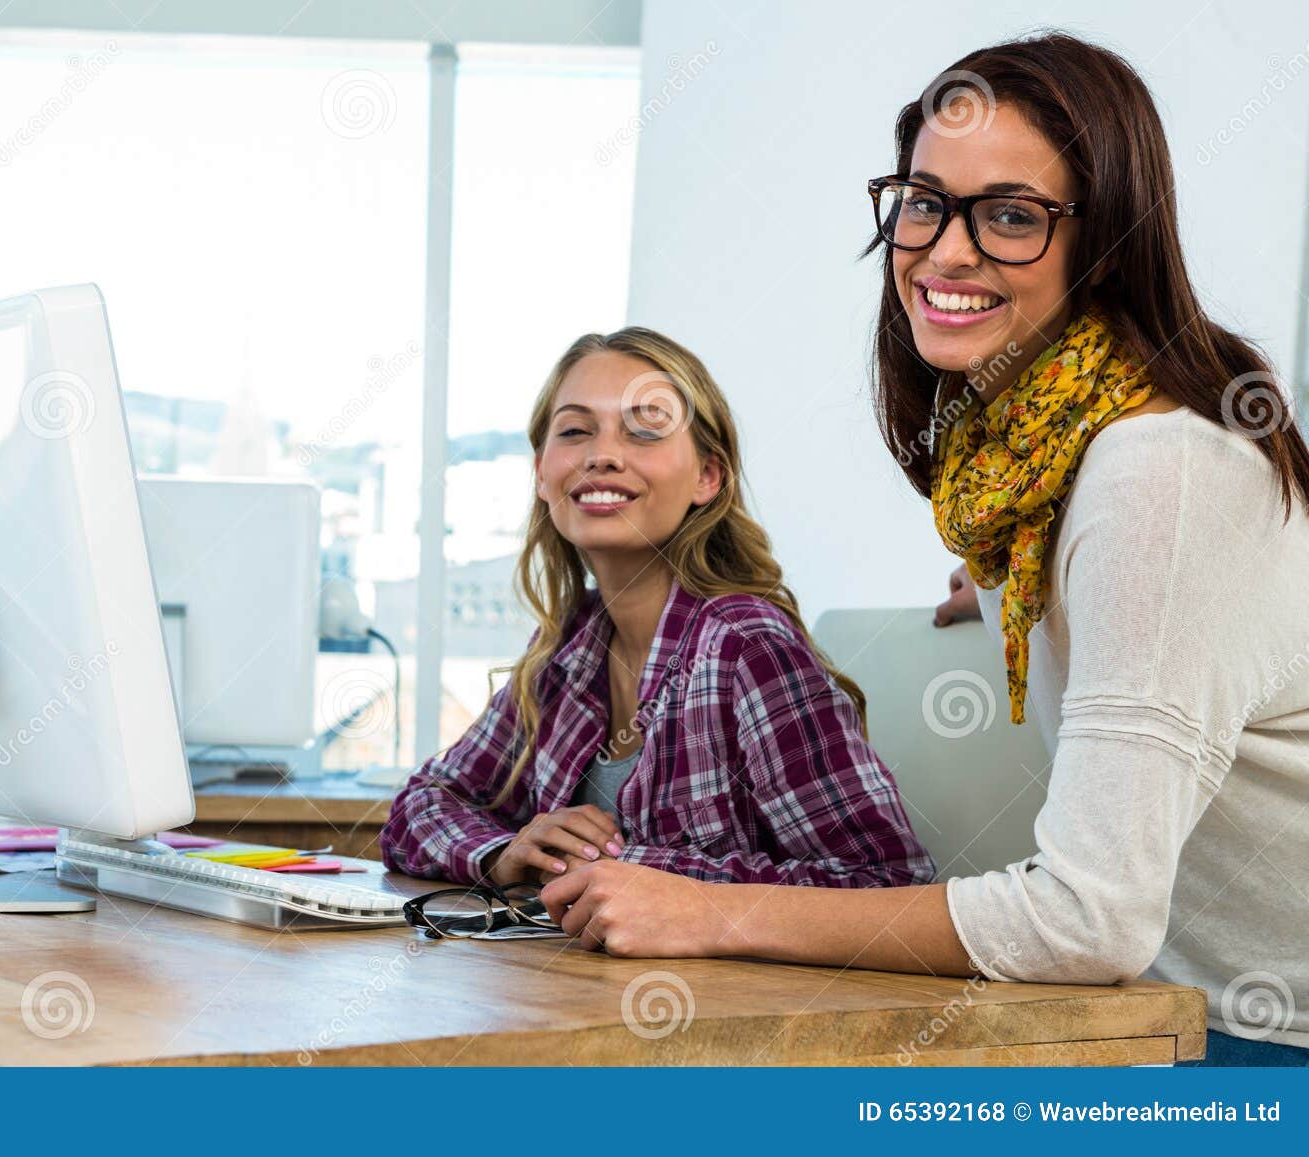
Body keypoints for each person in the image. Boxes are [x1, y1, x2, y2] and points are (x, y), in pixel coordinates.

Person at [539, 33, 1309, 1065]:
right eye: (921, 201)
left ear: (1107, 242)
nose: (944, 251)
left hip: (1258, 1047)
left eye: (1008, 216)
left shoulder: (1159, 473)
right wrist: (1020, 582)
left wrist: (708, 909)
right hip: (1156, 1023)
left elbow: (1087, 920)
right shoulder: (1037, 484)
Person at [380, 327, 933, 890]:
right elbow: (421, 807)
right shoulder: (567, 648)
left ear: (707, 477)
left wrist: (631, 872)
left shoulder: (748, 646)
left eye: (645, 432)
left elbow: (886, 882)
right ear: (542, 474)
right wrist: (507, 851)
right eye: (574, 431)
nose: (601, 455)